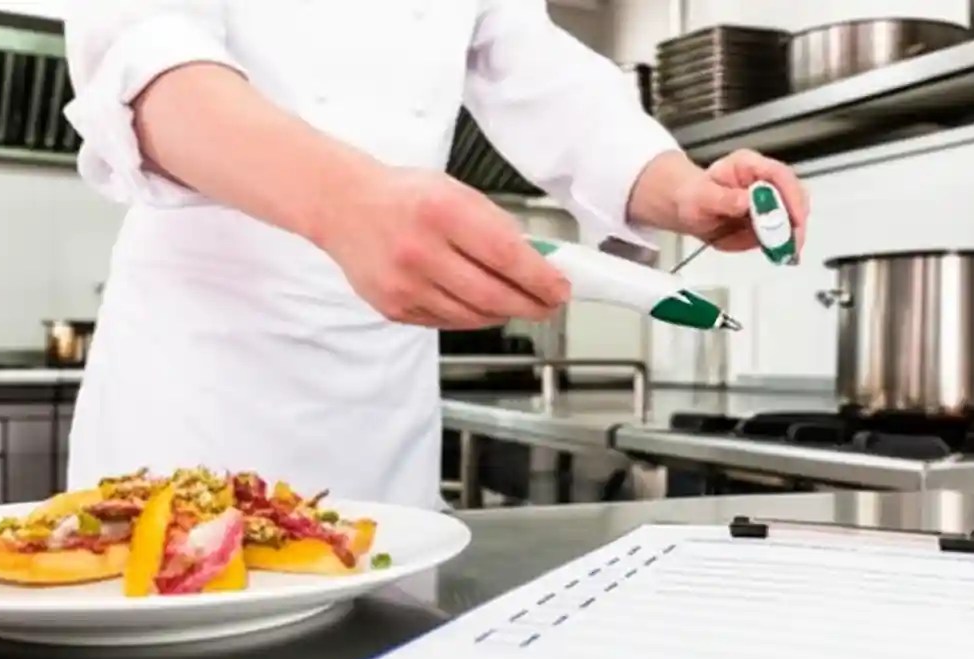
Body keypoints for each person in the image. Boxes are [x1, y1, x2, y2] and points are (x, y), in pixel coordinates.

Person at [61, 1, 810, 508]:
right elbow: (146, 63)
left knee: (377, 654)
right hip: (200, 381)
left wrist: (683, 191)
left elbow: (541, 77)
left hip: (380, 391)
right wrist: (346, 204)